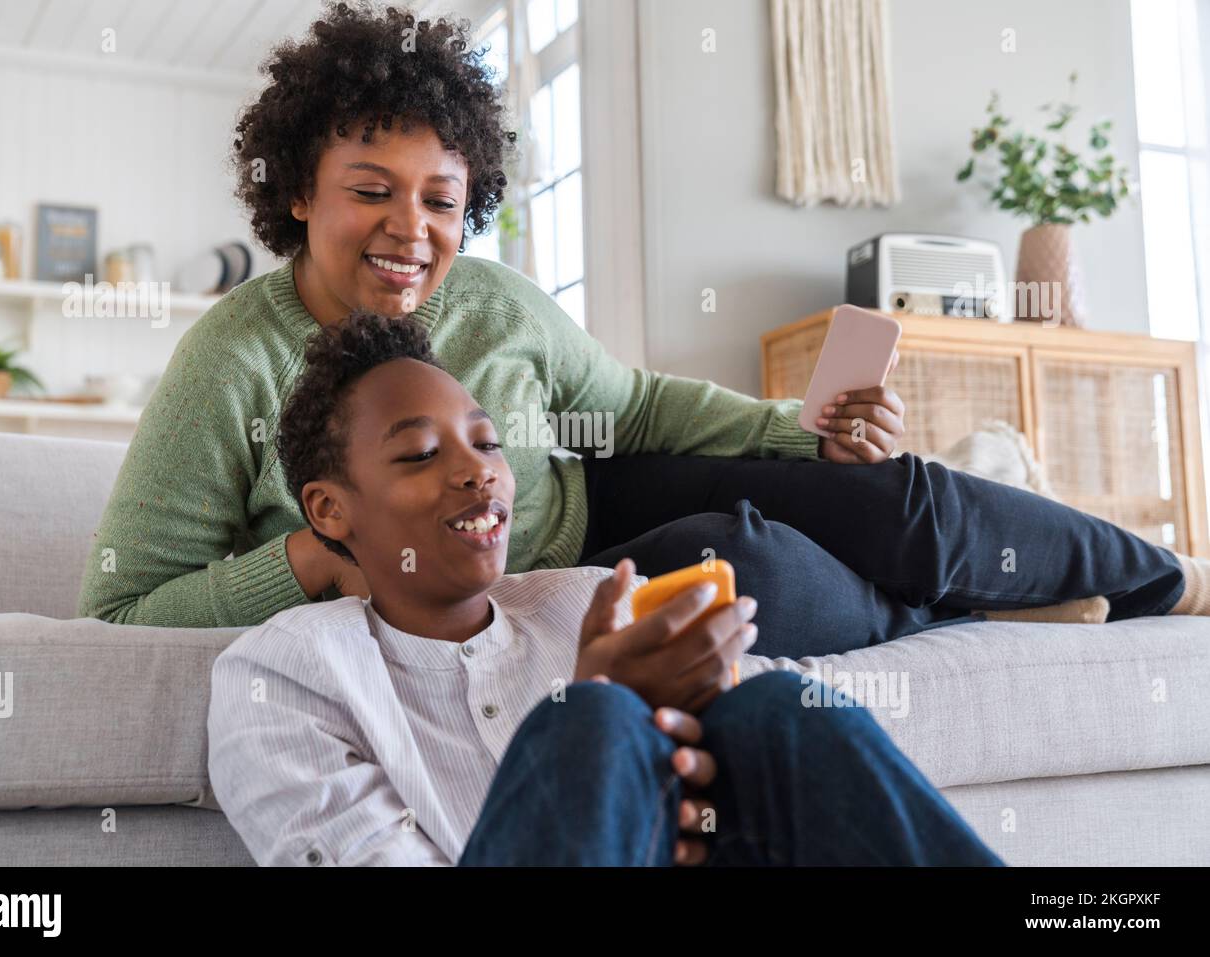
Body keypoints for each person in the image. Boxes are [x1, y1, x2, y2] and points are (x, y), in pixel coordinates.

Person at [79, 2, 1209, 660]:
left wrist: (800, 429)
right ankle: (974, 611)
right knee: (740, 566)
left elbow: (636, 409)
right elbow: (121, 604)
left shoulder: (494, 300)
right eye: (369, 190)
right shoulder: (231, 362)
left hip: (595, 489)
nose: (408, 230)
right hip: (536, 568)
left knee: (896, 491)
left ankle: (1167, 585)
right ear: (297, 196)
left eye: (437, 200)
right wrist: (306, 565)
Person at [206, 314, 1003, 866]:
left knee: (773, 708)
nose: (477, 468)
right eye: (418, 454)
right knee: (586, 716)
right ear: (329, 508)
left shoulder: (589, 601)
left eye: (487, 441)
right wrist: (600, 736)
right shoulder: (284, 677)